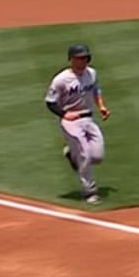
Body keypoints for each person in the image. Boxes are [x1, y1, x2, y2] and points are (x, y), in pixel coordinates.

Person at [45, 43, 111, 205]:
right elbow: (50, 102)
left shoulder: (92, 73)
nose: (83, 60)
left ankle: (71, 154)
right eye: (80, 58)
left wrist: (101, 106)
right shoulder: (61, 79)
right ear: (71, 59)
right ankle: (90, 191)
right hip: (71, 122)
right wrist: (65, 114)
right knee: (85, 155)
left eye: (85, 57)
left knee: (97, 156)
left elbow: (96, 90)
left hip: (88, 118)